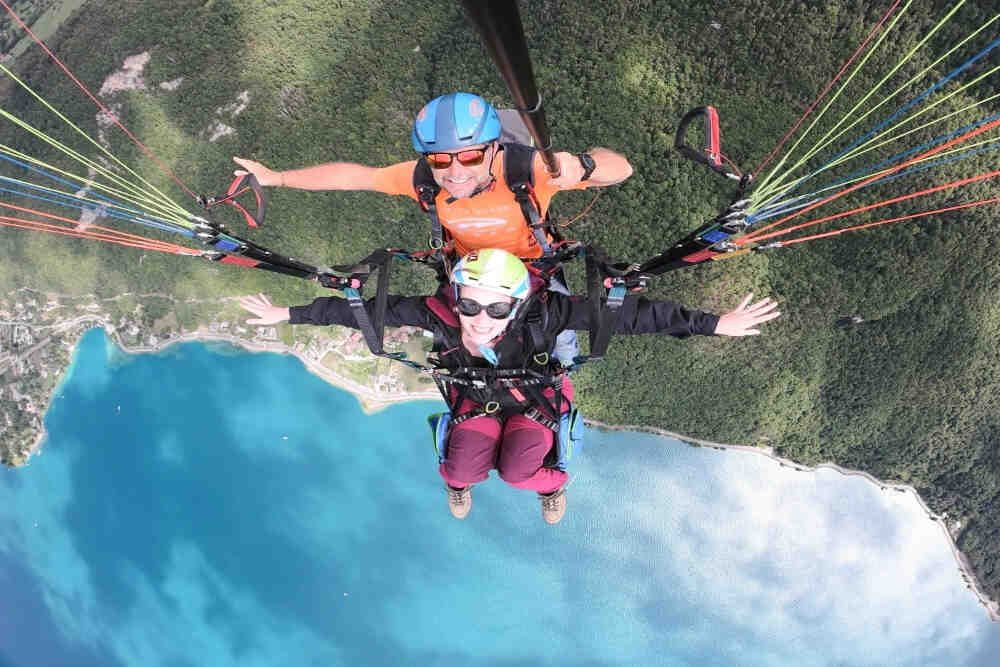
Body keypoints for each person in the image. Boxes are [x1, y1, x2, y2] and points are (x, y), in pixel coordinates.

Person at [238, 249, 781, 525]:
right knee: (459, 467)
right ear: (455, 297)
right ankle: (474, 482)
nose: (478, 318)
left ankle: (551, 486)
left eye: (497, 308)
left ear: (520, 303)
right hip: (479, 399)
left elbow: (640, 316)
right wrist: (286, 312)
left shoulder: (552, 314)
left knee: (522, 470)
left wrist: (714, 324)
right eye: (469, 304)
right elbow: (356, 313)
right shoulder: (440, 314)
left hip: (536, 402)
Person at [232, 91, 633, 259]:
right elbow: (354, 176)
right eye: (441, 159)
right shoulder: (421, 178)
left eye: (471, 156)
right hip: (467, 271)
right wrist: (277, 178)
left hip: (533, 266)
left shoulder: (527, 169)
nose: (455, 172)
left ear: (494, 148)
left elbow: (621, 168)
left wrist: (584, 165)